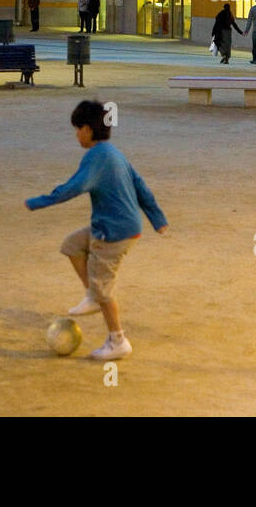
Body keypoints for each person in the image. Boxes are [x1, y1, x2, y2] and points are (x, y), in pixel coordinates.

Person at [25, 100, 168, 361]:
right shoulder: (113, 152)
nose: (76, 134)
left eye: (77, 128)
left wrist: (38, 202)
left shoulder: (96, 157)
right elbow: (140, 185)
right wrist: (157, 219)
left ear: (88, 130)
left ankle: (117, 341)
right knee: (72, 245)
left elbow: (73, 187)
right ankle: (92, 294)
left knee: (105, 289)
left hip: (113, 233)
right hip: (118, 226)